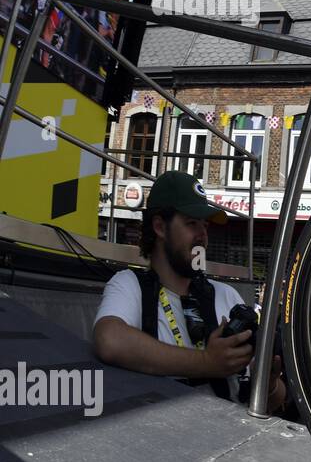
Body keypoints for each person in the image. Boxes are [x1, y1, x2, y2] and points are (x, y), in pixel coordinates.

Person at [92, 170, 285, 410]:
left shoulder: (226, 294)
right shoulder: (130, 285)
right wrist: (207, 362)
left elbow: (276, 401)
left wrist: (269, 384)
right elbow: (109, 340)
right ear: (160, 227)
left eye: (205, 225)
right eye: (192, 224)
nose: (203, 236)